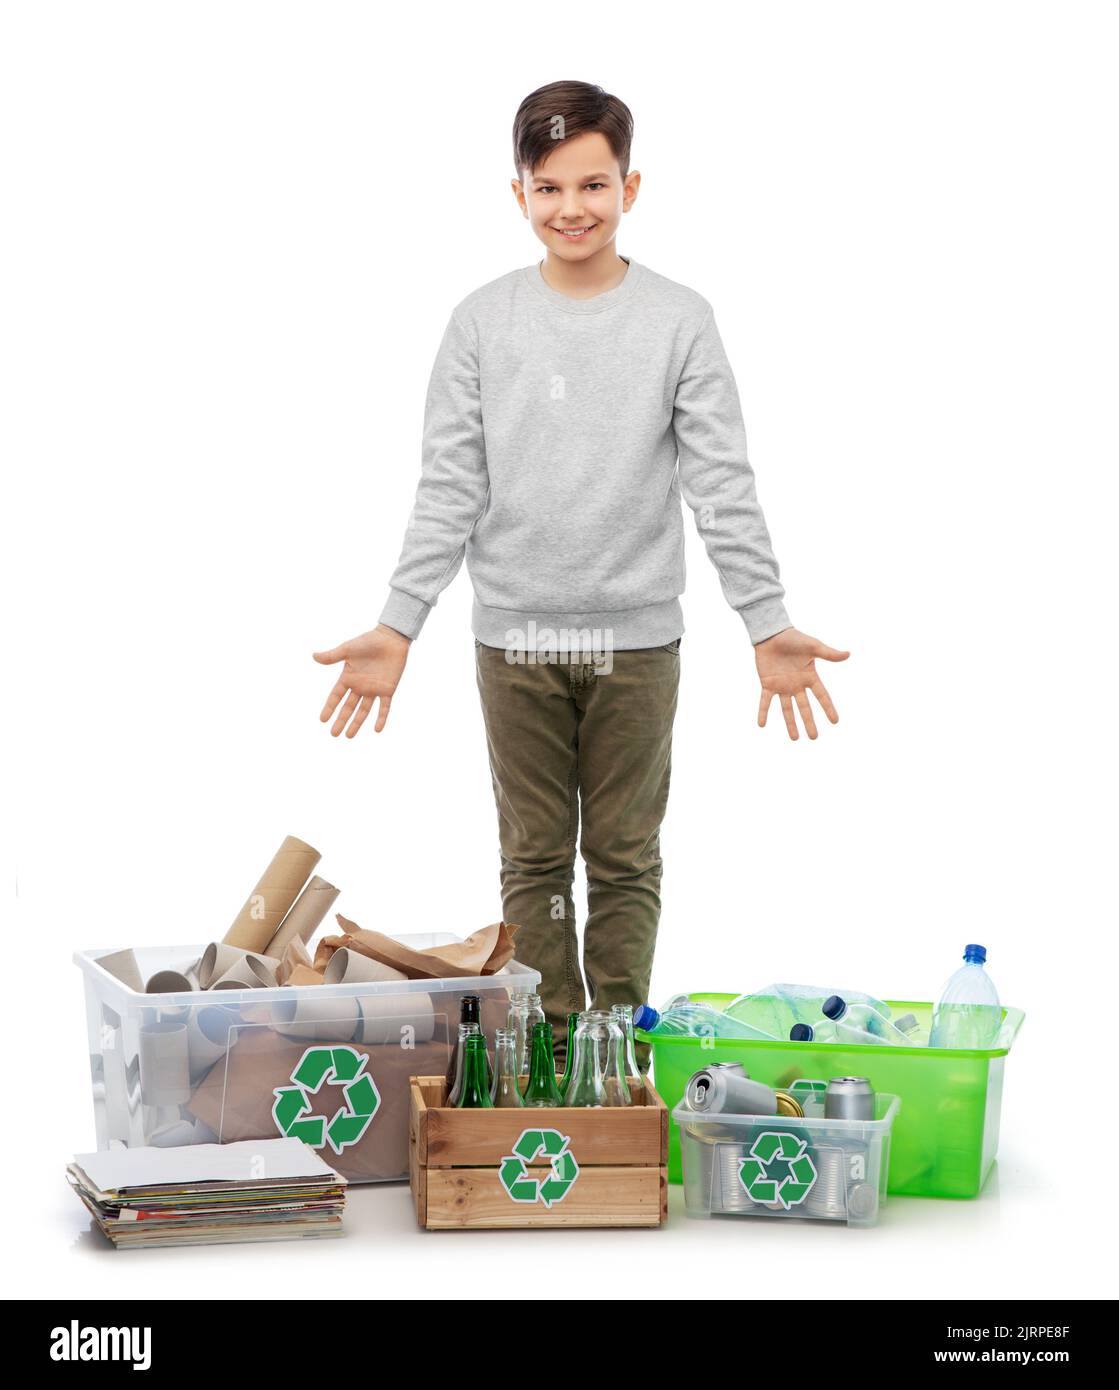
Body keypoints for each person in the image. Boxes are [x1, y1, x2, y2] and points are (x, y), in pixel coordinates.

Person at [314, 80, 848, 1053]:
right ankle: (550, 1048)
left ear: (630, 187)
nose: (572, 207)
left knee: (624, 854)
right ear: (517, 193)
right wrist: (399, 623)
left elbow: (719, 479)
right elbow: (449, 484)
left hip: (637, 639)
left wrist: (767, 623)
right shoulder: (483, 322)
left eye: (593, 184)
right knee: (531, 856)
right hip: (513, 638)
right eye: (549, 185)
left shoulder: (679, 318)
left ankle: (613, 1047)